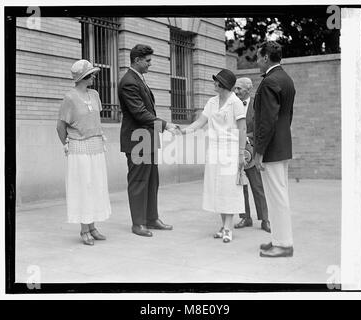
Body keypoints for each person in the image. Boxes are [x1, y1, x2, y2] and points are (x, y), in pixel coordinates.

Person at [118, 44, 178, 237]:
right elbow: (139, 113)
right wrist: (166, 125)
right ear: (137, 60)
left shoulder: (138, 79)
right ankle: (138, 224)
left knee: (152, 180)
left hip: (147, 139)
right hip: (138, 140)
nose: (150, 64)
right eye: (148, 61)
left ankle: (152, 219)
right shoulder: (129, 81)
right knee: (139, 181)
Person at [181, 69, 247, 243]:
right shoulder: (211, 102)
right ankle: (224, 226)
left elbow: (242, 129)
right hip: (214, 150)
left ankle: (228, 228)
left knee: (228, 188)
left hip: (230, 150)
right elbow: (200, 122)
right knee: (217, 188)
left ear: (222, 84)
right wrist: (184, 131)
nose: (214, 83)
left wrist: (241, 153)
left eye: (216, 81)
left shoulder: (235, 103)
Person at [56, 59, 111, 246]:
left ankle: (93, 227)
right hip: (78, 149)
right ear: (83, 77)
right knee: (83, 187)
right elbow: (60, 126)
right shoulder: (69, 97)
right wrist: (67, 144)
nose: (94, 76)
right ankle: (84, 229)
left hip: (96, 146)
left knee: (96, 186)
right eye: (91, 74)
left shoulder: (95, 95)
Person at [254, 41, 295, 257]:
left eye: (259, 57)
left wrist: (259, 151)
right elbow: (287, 117)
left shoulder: (270, 81)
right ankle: (278, 239)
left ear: (266, 58)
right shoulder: (286, 79)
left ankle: (284, 244)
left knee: (277, 196)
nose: (257, 61)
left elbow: (267, 121)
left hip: (271, 148)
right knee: (277, 194)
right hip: (281, 145)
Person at [234, 77, 271, 233]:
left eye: (239, 89)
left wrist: (250, 139)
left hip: (252, 150)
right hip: (236, 150)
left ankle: (265, 219)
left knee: (257, 186)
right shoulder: (233, 104)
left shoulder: (258, 104)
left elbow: (263, 127)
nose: (236, 92)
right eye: (235, 89)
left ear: (248, 90)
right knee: (241, 184)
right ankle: (245, 217)